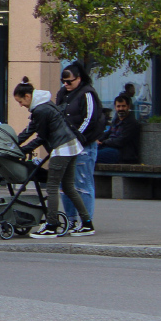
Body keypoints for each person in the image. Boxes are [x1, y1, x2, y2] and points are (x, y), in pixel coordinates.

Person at [13, 77, 93, 237]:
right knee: (69, 187)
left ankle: (51, 225)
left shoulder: (40, 110)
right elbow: (31, 129)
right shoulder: (44, 104)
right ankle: (87, 223)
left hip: (61, 148)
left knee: (52, 186)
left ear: (28, 96)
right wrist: (15, 143)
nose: (21, 105)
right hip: (72, 145)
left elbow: (40, 136)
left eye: (20, 101)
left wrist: (20, 149)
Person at [56, 61, 103, 228]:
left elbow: (90, 118)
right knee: (65, 184)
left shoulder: (87, 93)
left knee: (83, 183)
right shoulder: (62, 93)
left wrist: (76, 137)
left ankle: (86, 221)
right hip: (66, 145)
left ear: (79, 79)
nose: (66, 84)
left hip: (84, 145)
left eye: (70, 81)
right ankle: (70, 219)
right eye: (64, 81)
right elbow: (58, 115)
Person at [98, 95, 141, 165]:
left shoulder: (132, 123)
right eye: (118, 106)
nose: (121, 108)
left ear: (128, 107)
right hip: (109, 148)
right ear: (115, 107)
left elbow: (120, 141)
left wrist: (104, 142)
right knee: (87, 152)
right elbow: (108, 133)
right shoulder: (116, 120)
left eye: (123, 106)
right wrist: (98, 140)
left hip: (121, 153)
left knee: (91, 156)